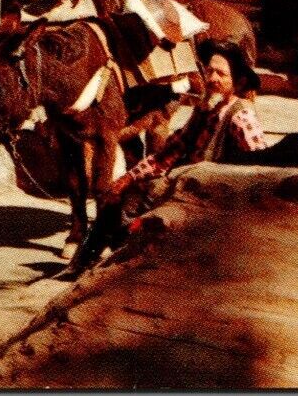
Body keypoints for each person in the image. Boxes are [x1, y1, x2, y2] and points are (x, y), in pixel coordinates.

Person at [73, 50, 269, 271]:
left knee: (141, 216)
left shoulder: (241, 117)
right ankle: (86, 262)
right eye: (209, 71)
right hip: (188, 188)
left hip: (213, 199)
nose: (212, 79)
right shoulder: (205, 110)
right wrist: (127, 178)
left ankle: (124, 265)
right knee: (119, 198)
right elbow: (168, 153)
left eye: (221, 74)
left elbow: (259, 169)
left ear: (238, 81)